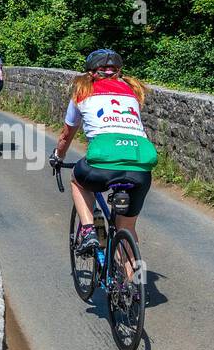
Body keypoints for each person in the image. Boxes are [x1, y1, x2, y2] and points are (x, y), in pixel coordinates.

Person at [48, 49, 157, 255]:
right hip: (140, 164)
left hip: (103, 163)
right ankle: (131, 284)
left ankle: (89, 230)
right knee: (127, 228)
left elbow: (66, 135)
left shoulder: (82, 92)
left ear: (90, 73)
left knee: (77, 180)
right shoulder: (131, 91)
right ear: (118, 72)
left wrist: (58, 156)